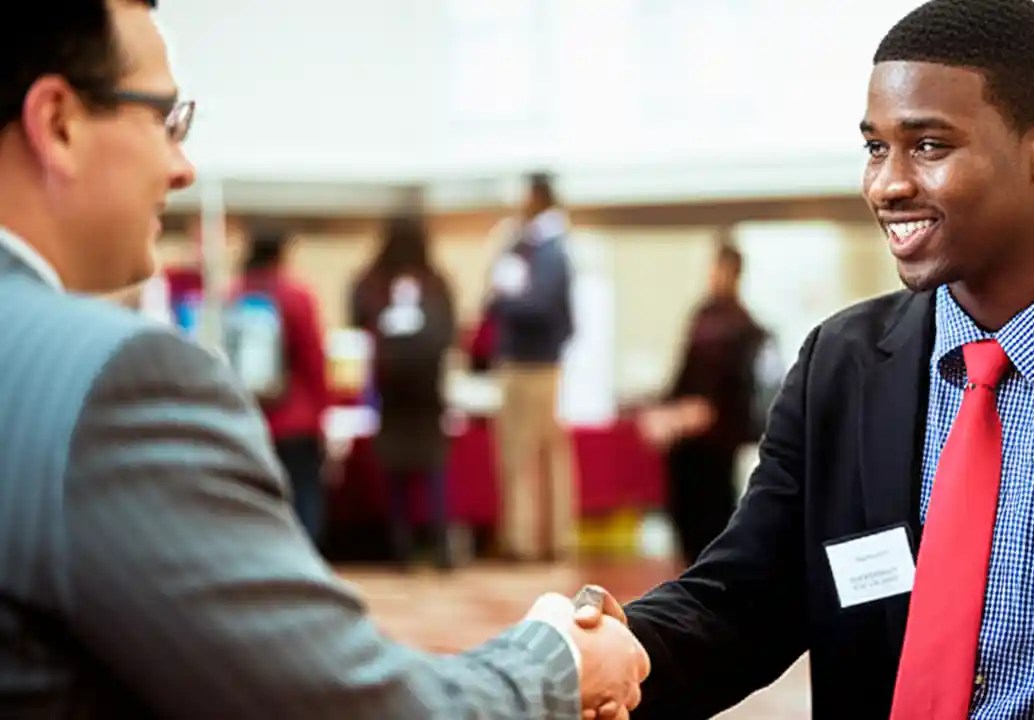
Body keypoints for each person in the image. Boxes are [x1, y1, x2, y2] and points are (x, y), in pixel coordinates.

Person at [582, 1, 1034, 717]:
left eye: (929, 146)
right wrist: (613, 653)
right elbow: (746, 598)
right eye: (875, 148)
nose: (887, 185)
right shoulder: (840, 368)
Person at [0, 2, 648, 717]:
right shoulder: (117, 382)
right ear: (58, 122)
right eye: (166, 119)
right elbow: (341, 702)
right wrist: (555, 657)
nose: (182, 166)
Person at [641, 242, 767, 566]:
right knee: (684, 512)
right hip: (688, 439)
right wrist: (668, 410)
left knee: (713, 517)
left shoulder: (742, 325)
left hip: (716, 439)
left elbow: (739, 389)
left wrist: (704, 413)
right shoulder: (703, 315)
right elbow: (683, 374)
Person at [351, 215, 457, 568]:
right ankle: (440, 545)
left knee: (396, 475)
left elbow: (356, 319)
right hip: (428, 393)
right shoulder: (437, 284)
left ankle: (401, 546)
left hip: (390, 390)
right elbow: (449, 332)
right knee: (433, 472)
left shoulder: (371, 283)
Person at [487, 172, 577, 562]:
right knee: (530, 453)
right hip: (531, 361)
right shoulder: (527, 243)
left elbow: (538, 305)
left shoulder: (548, 249)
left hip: (534, 365)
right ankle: (536, 537)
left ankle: (531, 540)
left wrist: (501, 302)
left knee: (529, 453)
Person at [229, 226, 331, 547]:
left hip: (246, 418)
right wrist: (322, 413)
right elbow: (314, 361)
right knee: (302, 502)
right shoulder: (296, 296)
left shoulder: (233, 295)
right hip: (297, 421)